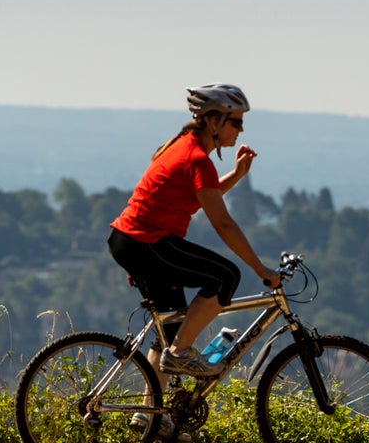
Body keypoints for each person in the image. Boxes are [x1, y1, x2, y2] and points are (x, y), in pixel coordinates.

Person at [108, 83, 281, 388]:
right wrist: (260, 268)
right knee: (225, 276)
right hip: (147, 242)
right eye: (236, 121)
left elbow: (204, 197)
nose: (240, 130)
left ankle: (150, 416)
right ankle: (181, 354)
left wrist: (237, 176)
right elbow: (223, 223)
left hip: (132, 241)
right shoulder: (197, 158)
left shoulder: (185, 146)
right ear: (214, 121)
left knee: (173, 327)